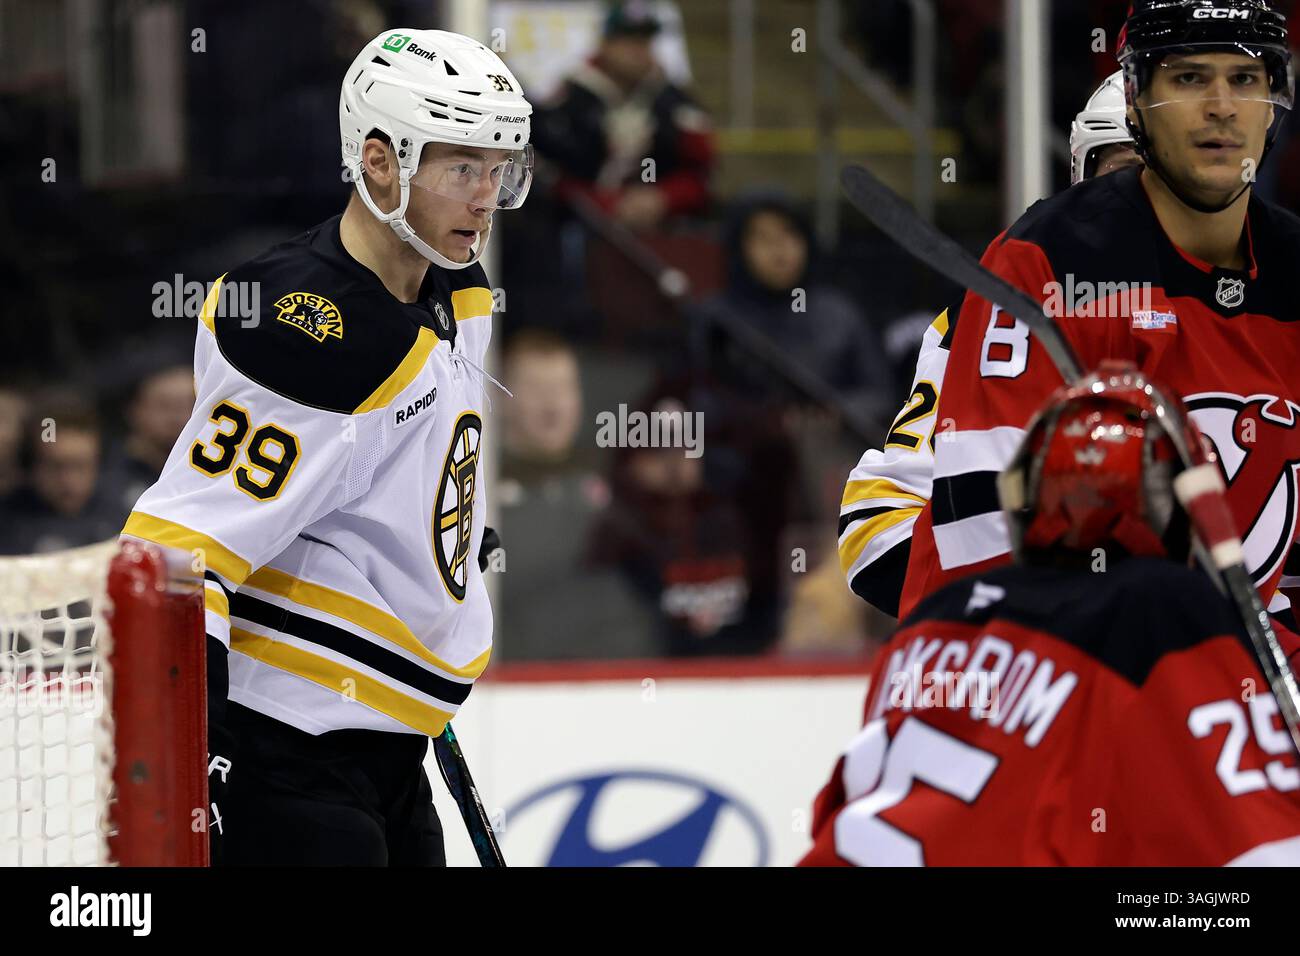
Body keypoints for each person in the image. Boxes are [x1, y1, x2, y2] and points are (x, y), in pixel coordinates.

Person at [121, 28, 533, 865]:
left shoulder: (457, 283)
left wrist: (437, 538)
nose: (487, 196)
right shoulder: (303, 329)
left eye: (501, 169)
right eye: (462, 168)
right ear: (379, 160)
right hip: (289, 746)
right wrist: (185, 764)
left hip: (389, 741)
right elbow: (179, 553)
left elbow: (408, 448)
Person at [888, 0, 1300, 624]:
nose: (1222, 105)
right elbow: (988, 544)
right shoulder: (1050, 261)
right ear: (1135, 98)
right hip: (1030, 680)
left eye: (1245, 78)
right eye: (1189, 78)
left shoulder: (1294, 266)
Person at [803, 365, 1300, 866]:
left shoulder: (931, 622)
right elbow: (1266, 849)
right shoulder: (1160, 604)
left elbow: (833, 811)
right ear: (1172, 502)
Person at [840, 69, 1141, 619]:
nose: (1144, 206)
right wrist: (1017, 620)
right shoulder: (992, 315)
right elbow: (878, 527)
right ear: (1080, 176)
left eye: (1165, 184)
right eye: (1123, 176)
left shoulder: (1272, 304)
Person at [495, 330, 657, 659]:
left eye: (563, 389)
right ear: (499, 398)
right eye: (537, 390)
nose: (553, 404)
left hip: (628, 677)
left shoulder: (616, 479)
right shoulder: (478, 490)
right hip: (527, 684)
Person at [529, 0, 714, 231]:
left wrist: (663, 197)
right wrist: (605, 204)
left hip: (662, 229)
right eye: (627, 40)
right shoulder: (569, 99)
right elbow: (548, 171)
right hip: (577, 228)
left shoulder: (674, 102)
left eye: (644, 41)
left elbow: (701, 172)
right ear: (605, 44)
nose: (636, 50)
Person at [0, 392, 122, 554]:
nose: (68, 481)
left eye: (80, 466)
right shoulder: (7, 523)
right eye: (55, 466)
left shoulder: (122, 519)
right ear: (32, 464)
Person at [100, 364, 195, 521]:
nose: (178, 419)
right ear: (134, 410)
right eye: (165, 406)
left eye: (189, 406)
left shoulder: (210, 473)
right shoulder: (104, 476)